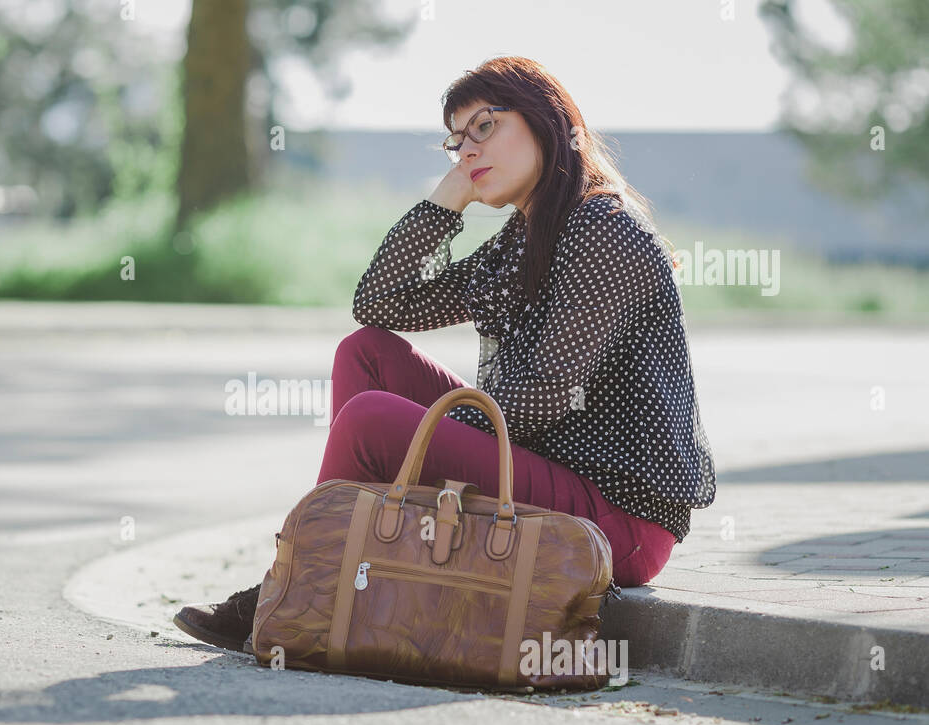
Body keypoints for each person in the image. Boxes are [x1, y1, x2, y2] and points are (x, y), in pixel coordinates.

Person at [174, 55, 716, 655]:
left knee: (374, 421)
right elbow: (379, 305)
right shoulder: (520, 242)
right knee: (368, 355)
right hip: (542, 469)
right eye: (454, 141)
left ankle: (303, 581)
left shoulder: (604, 230)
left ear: (547, 121)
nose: (466, 151)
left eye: (484, 127)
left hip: (618, 518)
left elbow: (542, 396)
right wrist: (444, 204)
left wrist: (420, 434)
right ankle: (336, 566)